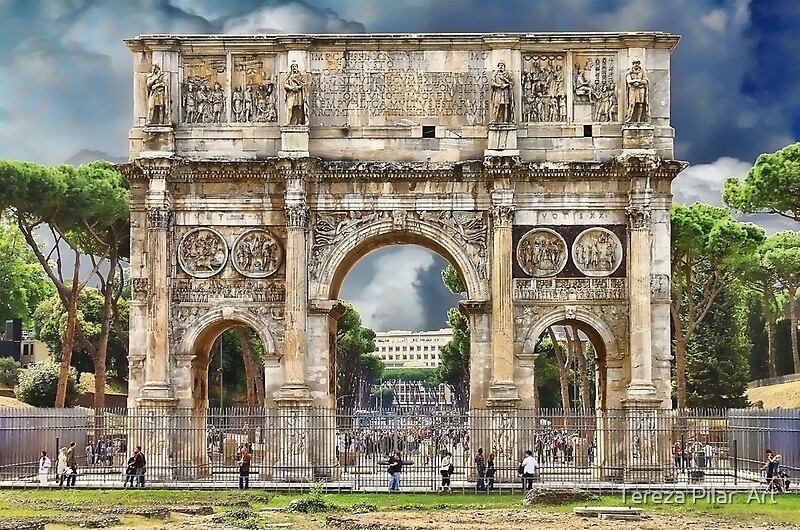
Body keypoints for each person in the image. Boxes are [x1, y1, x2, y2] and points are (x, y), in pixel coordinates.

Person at [284, 61, 309, 126]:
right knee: (290, 107)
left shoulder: (300, 76)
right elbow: (285, 84)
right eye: (293, 66)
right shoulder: (289, 76)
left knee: (299, 107)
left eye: (295, 66)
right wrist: (291, 88)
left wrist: (299, 87)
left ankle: (300, 122)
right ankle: (289, 121)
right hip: (291, 93)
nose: (294, 68)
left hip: (299, 93)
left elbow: (305, 84)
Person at [625, 59, 649, 123]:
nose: (636, 65)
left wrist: (639, 81)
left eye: (637, 63)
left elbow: (646, 81)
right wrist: (635, 81)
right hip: (633, 89)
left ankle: (639, 120)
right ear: (633, 64)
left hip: (641, 89)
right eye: (635, 63)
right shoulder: (629, 72)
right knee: (632, 104)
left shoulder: (643, 71)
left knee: (640, 104)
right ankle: (629, 117)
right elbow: (629, 81)